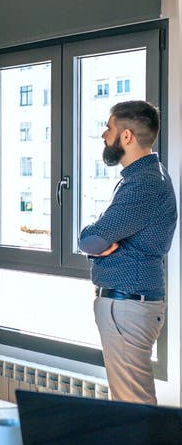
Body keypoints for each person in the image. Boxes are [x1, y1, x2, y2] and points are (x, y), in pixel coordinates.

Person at [78, 100, 177, 404]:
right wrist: (100, 244)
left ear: (127, 136)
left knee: (134, 405)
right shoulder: (143, 178)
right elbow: (100, 241)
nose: (104, 135)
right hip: (128, 305)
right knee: (129, 401)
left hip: (128, 306)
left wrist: (93, 242)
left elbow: (92, 239)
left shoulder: (144, 185)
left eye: (109, 128)